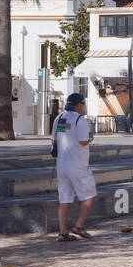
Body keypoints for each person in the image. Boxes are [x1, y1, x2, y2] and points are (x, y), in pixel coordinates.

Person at [51, 92, 96, 241]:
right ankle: (78, 226)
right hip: (78, 165)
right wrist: (90, 137)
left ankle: (63, 233)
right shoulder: (80, 120)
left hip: (61, 165)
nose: (83, 107)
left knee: (64, 199)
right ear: (78, 105)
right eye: (83, 104)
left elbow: (54, 141)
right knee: (89, 196)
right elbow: (83, 141)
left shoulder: (59, 118)